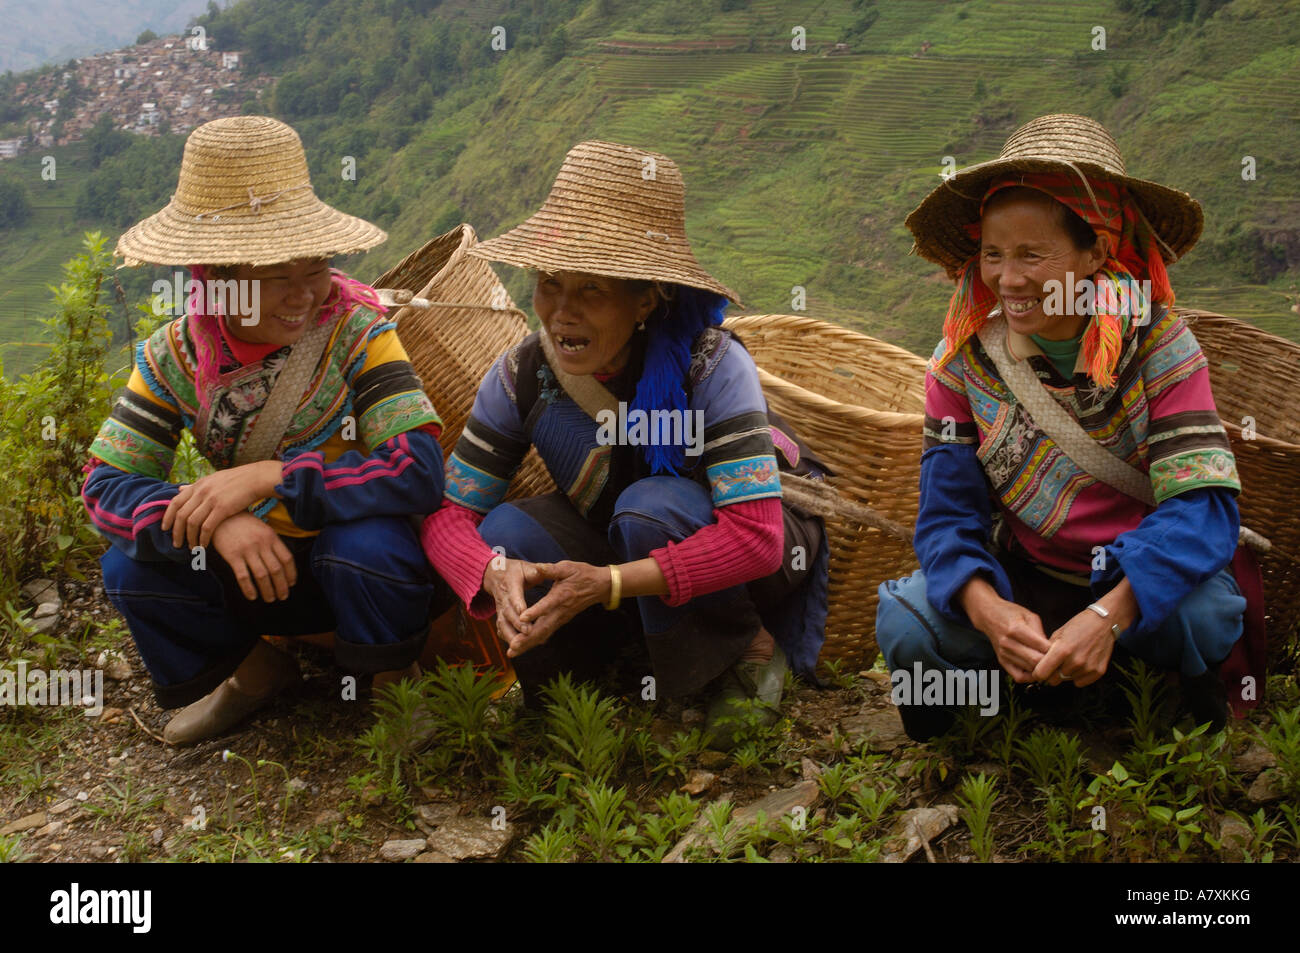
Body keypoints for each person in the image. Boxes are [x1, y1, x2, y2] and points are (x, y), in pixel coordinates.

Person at [419, 140, 829, 746]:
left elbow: (758, 539)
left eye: (592, 291)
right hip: (621, 544)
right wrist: (490, 569)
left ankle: (740, 649)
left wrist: (607, 584)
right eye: (550, 284)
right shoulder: (521, 375)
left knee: (652, 507)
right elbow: (449, 515)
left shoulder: (711, 366)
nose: (561, 313)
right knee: (508, 529)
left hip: (738, 548)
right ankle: (578, 684)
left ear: (645, 299)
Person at [877, 113, 1246, 741]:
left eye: (1032, 255)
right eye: (993, 255)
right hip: (1028, 577)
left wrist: (1107, 612)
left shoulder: (1159, 347)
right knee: (906, 624)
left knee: (1205, 613)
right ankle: (1026, 685)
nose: (1008, 280)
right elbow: (947, 517)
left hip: (1136, 584)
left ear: (1095, 252)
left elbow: (1204, 509)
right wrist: (988, 611)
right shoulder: (963, 363)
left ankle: (1126, 685)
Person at [84, 116, 445, 745]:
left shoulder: (357, 334)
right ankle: (254, 675)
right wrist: (217, 519)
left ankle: (393, 676)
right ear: (215, 275)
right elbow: (105, 488)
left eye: (316, 270)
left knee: (367, 548)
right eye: (279, 275)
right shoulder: (176, 356)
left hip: (355, 562)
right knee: (129, 569)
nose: (305, 295)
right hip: (257, 570)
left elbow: (416, 471)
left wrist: (272, 477)